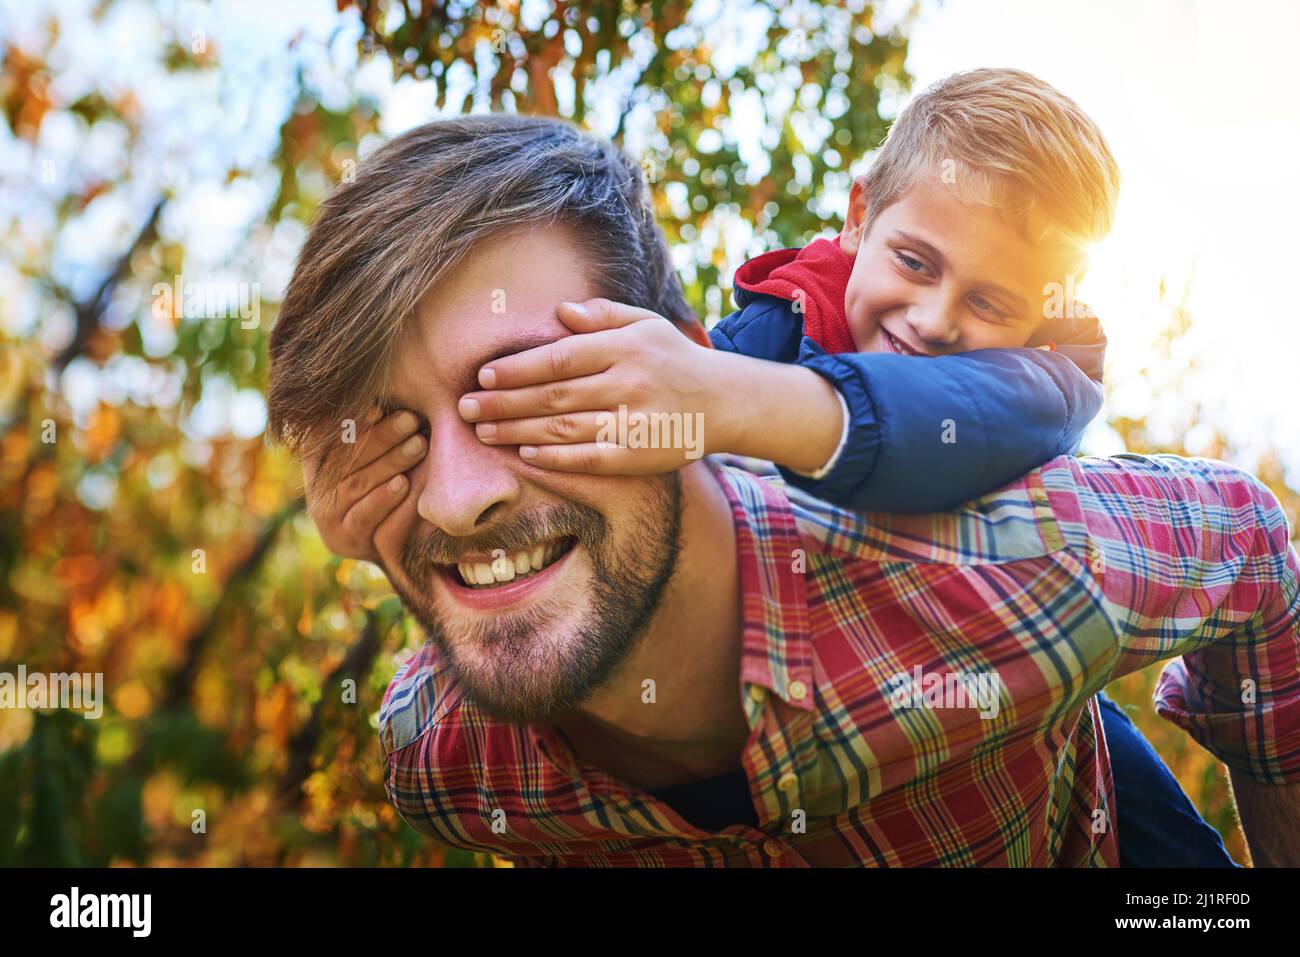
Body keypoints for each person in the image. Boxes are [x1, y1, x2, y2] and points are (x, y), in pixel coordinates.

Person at [268, 115, 1300, 866]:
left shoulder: (1031, 559)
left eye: (525, 397)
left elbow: (1248, 543)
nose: (450, 498)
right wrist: (400, 536)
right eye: (391, 442)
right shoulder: (442, 764)